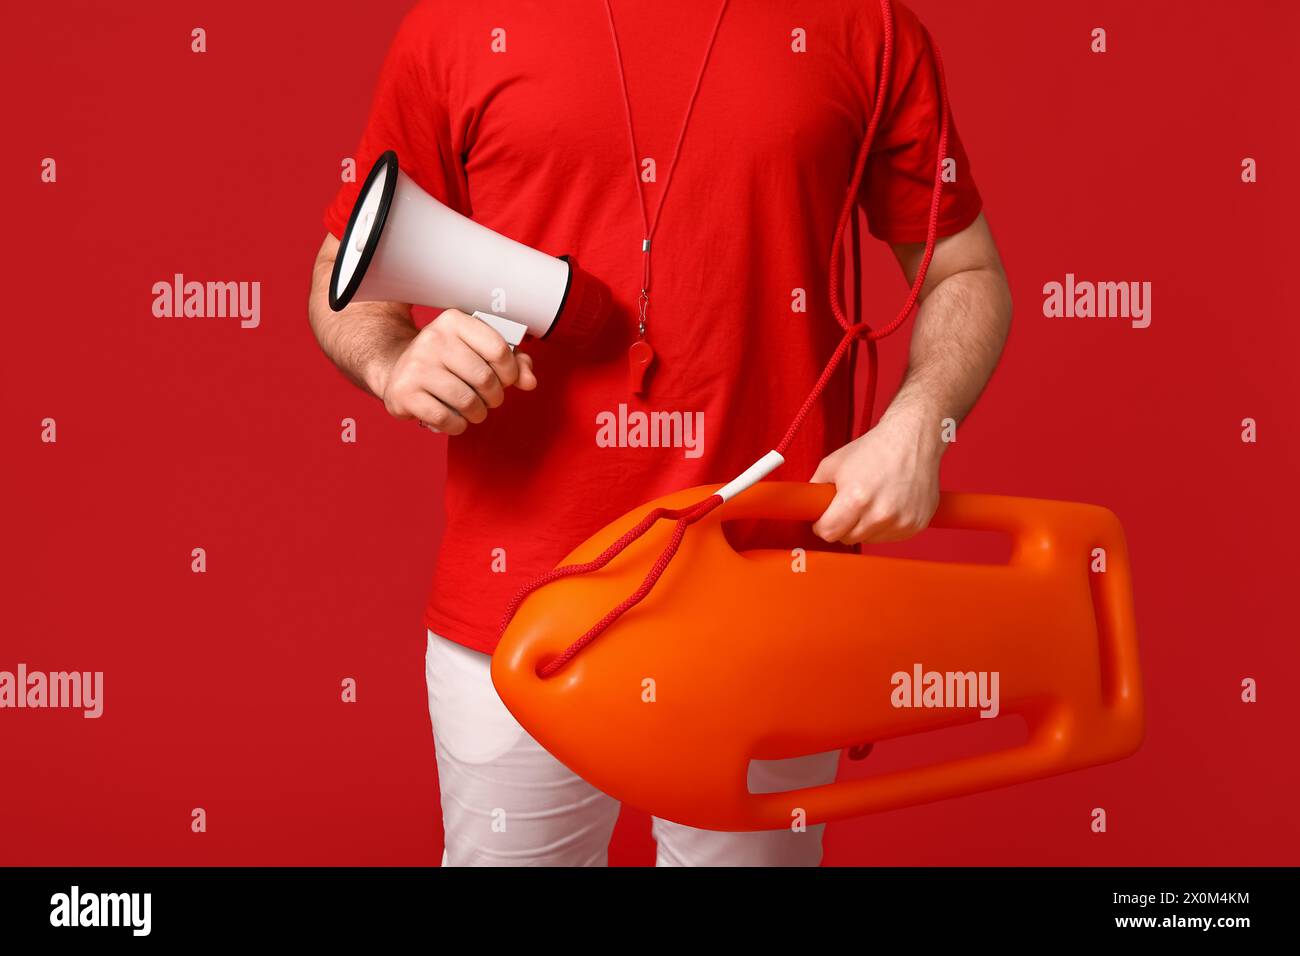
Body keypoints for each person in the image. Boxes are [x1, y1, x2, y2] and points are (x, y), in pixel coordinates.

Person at [307, 0, 1011, 866]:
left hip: (767, 606)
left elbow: (965, 270)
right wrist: (393, 363)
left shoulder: (864, 25)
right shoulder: (457, 23)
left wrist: (918, 424)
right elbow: (346, 275)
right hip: (514, 616)